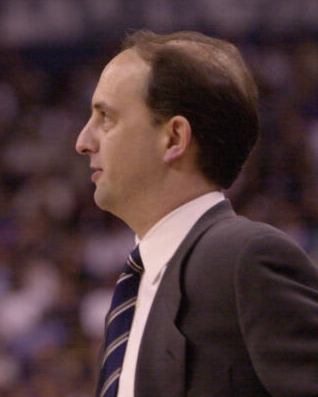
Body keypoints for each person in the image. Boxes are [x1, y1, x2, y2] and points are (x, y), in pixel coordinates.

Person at [76, 29, 318, 396]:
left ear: (174, 138)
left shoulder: (244, 258)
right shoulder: (132, 293)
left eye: (106, 117)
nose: (83, 142)